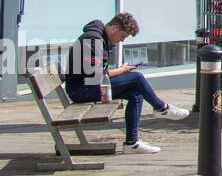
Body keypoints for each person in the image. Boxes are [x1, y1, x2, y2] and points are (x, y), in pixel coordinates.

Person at [64, 13, 188, 154]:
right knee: (136, 78)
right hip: (81, 91)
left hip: (89, 86)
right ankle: (162, 108)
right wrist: (121, 71)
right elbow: (96, 75)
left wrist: (121, 71)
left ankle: (132, 143)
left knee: (135, 94)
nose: (120, 41)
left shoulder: (99, 38)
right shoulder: (93, 40)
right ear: (115, 28)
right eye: (122, 36)